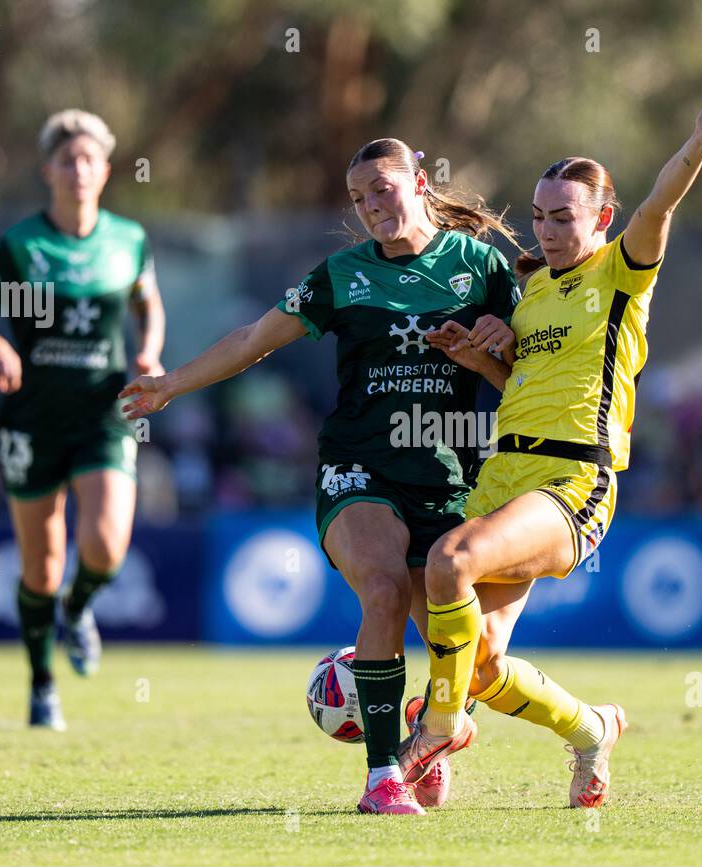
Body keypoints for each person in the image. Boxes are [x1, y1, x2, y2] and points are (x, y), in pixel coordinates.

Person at [119, 138, 526, 814]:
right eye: (359, 199)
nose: (369, 207)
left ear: (420, 183)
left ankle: (439, 725)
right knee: (383, 587)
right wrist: (171, 384)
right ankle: (381, 777)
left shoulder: (482, 267)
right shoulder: (343, 274)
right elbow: (253, 339)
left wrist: (502, 340)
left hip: (451, 473)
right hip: (358, 464)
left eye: (382, 190)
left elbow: (526, 370)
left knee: (474, 659)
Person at [401, 81, 702, 808]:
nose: (547, 229)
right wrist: (480, 358)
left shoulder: (622, 272)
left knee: (449, 563)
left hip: (572, 480)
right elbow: (520, 388)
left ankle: (437, 725)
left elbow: (660, 203)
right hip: (505, 471)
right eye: (538, 216)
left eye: (564, 216)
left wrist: (701, 140)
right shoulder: (533, 289)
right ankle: (592, 729)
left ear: (602, 217)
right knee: (480, 664)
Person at [0, 109, 167, 731]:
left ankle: (79, 612)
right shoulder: (20, 244)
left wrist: (150, 351)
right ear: (48, 169)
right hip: (31, 417)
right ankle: (41, 683)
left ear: (104, 171)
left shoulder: (128, 239)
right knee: (41, 566)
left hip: (103, 413)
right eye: (67, 159)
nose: (79, 170)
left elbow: (149, 306)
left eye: (89, 160)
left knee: (105, 546)